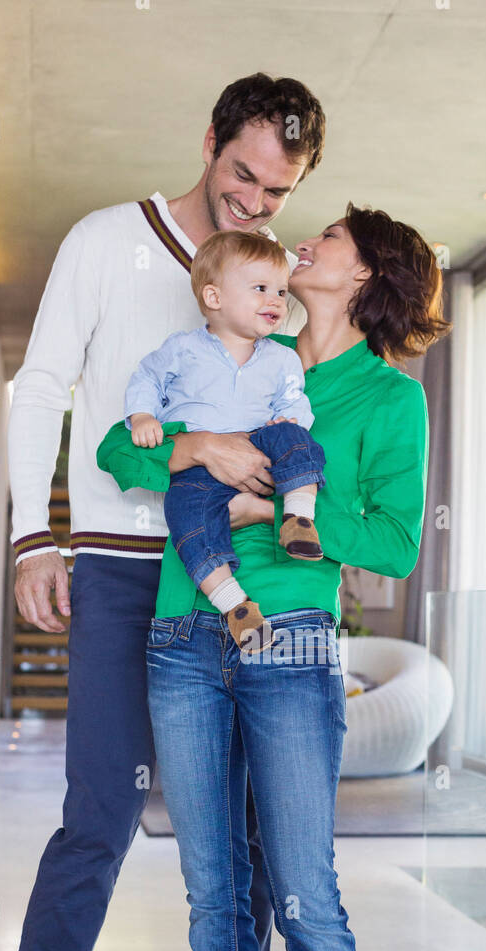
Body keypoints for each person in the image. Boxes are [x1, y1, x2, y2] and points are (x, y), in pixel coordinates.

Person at [0, 73, 326, 951]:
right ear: (209, 143)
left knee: (237, 838)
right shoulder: (105, 241)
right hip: (116, 563)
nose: (253, 202)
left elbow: (288, 427)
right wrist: (31, 533)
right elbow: (42, 385)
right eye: (241, 175)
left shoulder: (265, 286)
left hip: (225, 578)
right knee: (98, 815)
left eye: (276, 191)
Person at [98, 203, 450, 951]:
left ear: (367, 278)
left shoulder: (385, 399)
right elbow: (119, 453)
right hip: (182, 632)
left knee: (301, 890)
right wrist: (197, 448)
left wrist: (268, 501)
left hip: (290, 637)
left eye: (332, 239)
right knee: (214, 894)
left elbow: (389, 543)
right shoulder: (234, 341)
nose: (308, 240)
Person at [125, 230, 328, 651]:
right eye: (260, 289)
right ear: (214, 298)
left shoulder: (282, 357)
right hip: (199, 471)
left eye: (280, 291)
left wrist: (292, 420)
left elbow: (296, 401)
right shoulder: (183, 349)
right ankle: (234, 605)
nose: (275, 300)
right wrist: (142, 415)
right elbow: (146, 377)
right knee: (187, 520)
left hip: (261, 443)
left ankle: (298, 518)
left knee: (298, 440)